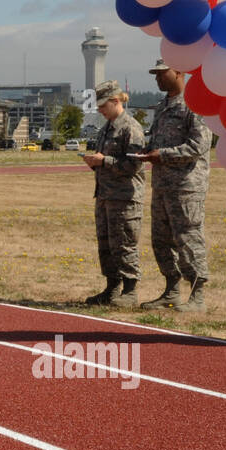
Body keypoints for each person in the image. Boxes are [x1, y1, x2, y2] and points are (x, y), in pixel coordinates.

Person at [130, 59, 212, 312]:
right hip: (163, 185)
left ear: (178, 72)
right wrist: (147, 151)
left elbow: (199, 146)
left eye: (160, 74)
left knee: (188, 238)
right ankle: (172, 290)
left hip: (186, 186)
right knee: (161, 240)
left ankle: (197, 296)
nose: (156, 79)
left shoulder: (195, 104)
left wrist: (161, 155)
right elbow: (157, 139)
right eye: (155, 75)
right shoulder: (163, 106)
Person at [81, 81, 145, 307]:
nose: (99, 110)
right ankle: (111, 287)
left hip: (125, 198)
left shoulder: (130, 127)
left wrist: (104, 161)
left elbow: (134, 165)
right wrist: (94, 162)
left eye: (102, 106)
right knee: (107, 244)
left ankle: (130, 290)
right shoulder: (106, 127)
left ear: (115, 101)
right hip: (105, 195)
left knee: (125, 243)